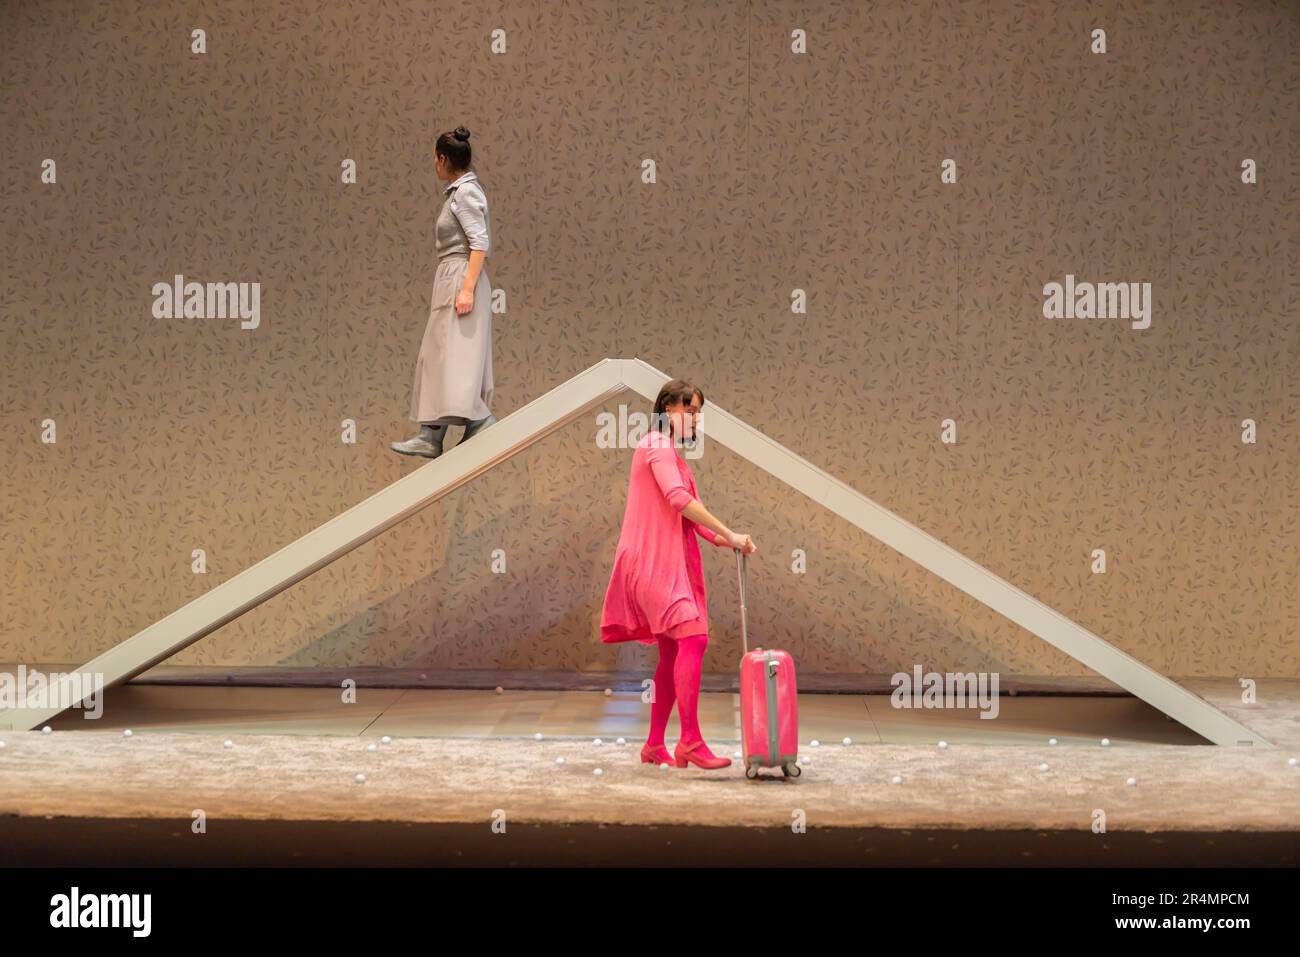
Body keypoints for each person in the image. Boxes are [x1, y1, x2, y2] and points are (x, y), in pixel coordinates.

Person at [600, 379, 758, 770]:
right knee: (694, 637)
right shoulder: (655, 445)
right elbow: (678, 500)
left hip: (663, 561)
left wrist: (731, 540)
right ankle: (689, 740)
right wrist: (728, 532)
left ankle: (655, 745)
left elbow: (694, 519)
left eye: (698, 413)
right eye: (690, 411)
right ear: (668, 409)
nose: (695, 419)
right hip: (650, 561)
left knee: (673, 650)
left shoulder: (673, 456)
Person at [392, 126, 495, 459]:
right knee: (438, 356)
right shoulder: (457, 192)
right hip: (451, 274)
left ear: (442, 159)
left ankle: (478, 418)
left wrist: (466, 289)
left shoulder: (466, 192)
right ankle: (432, 434)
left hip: (461, 275)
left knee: (455, 357)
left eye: (434, 159)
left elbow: (479, 243)